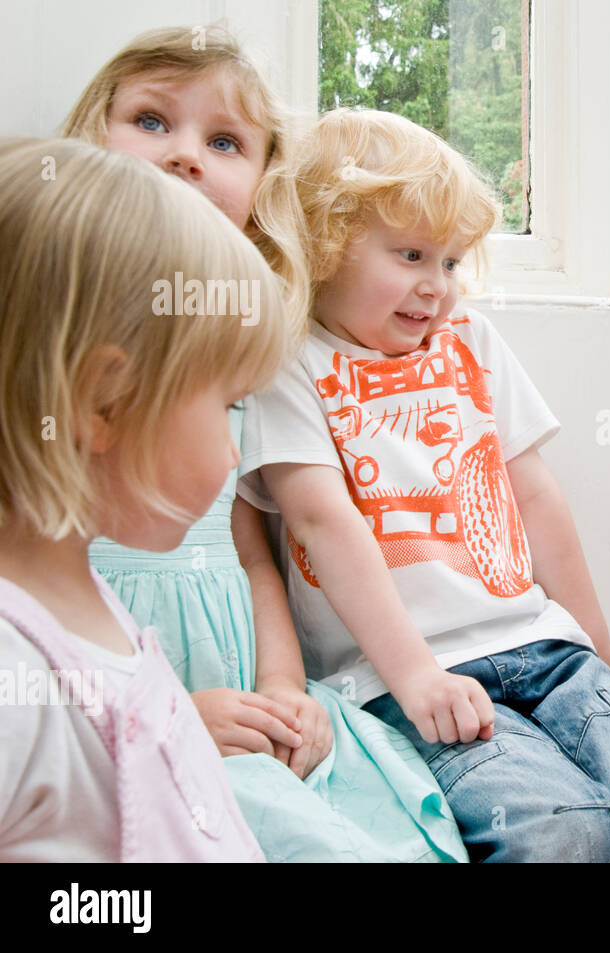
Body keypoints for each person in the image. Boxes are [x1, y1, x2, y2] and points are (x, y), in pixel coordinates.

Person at [239, 107, 610, 861]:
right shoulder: (291, 362)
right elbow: (318, 521)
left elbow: (533, 494)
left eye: (451, 263)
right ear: (328, 242)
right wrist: (418, 678)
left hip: (547, 647)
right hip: (399, 678)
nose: (436, 287)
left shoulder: (473, 343)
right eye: (410, 255)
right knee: (560, 829)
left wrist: (596, 640)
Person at [62, 25, 465, 862]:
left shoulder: (246, 361)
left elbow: (255, 559)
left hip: (250, 695)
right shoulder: (59, 361)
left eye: (222, 141)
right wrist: (171, 717)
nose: (183, 155)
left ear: (262, 182)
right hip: (128, 707)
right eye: (150, 120)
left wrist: (282, 687)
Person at [0, 136, 285, 860]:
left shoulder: (86, 598)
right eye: (226, 405)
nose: (233, 449)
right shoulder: (16, 670)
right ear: (104, 401)